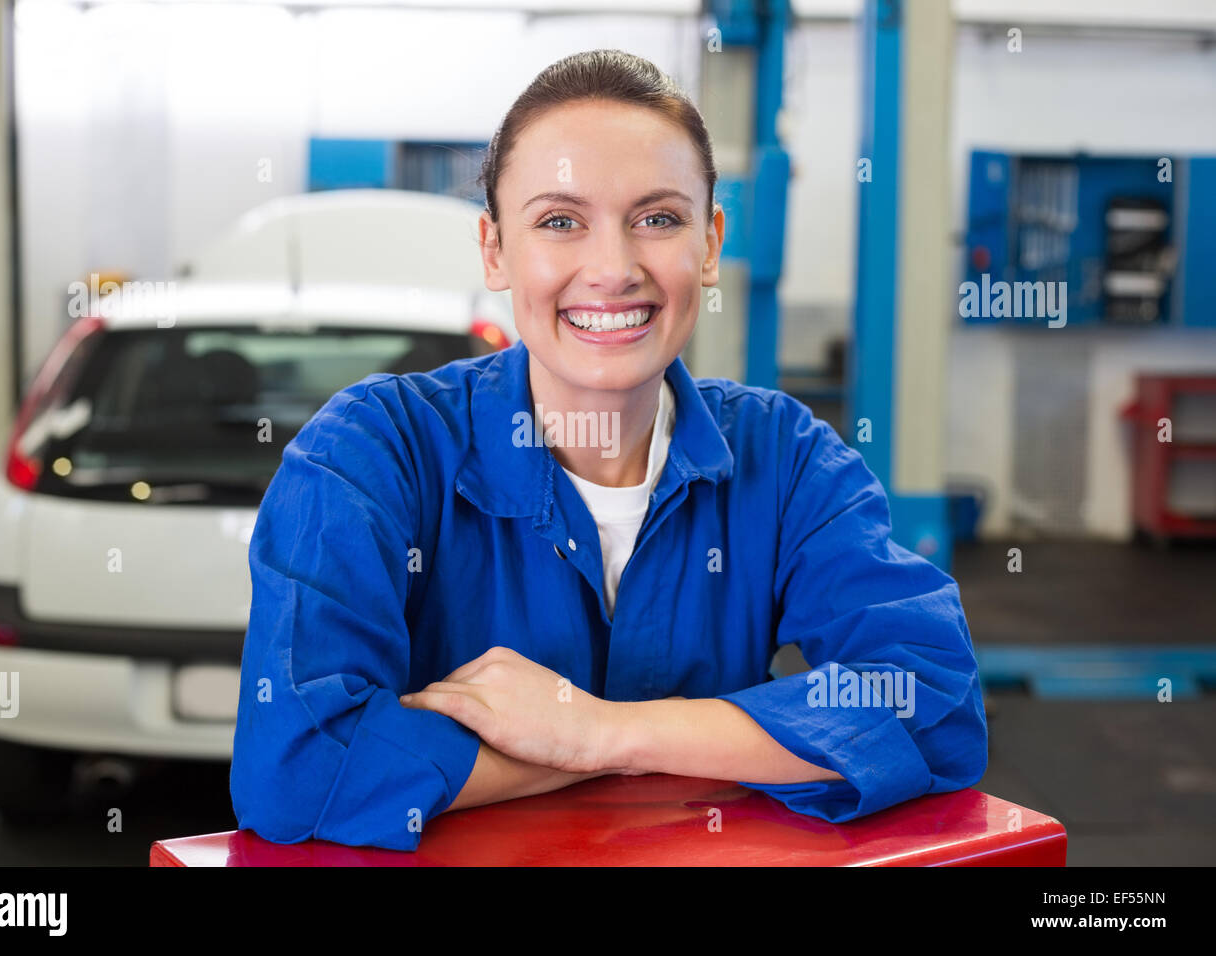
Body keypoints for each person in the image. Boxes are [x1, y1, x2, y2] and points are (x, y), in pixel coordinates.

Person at [230, 49, 987, 852]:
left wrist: (601, 734)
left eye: (658, 219)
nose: (614, 269)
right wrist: (692, 745)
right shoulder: (371, 454)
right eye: (560, 221)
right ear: (494, 249)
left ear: (709, 243)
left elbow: (929, 699)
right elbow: (300, 763)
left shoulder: (786, 458)